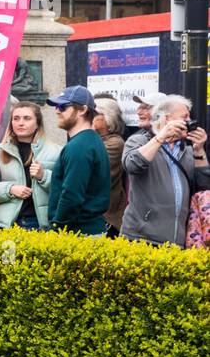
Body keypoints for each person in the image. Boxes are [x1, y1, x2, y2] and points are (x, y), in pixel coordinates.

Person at [120, 94, 210, 246]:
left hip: (176, 241)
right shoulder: (139, 141)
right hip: (141, 237)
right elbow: (132, 165)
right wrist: (161, 137)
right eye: (185, 116)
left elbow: (203, 186)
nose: (190, 122)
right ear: (167, 119)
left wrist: (199, 150)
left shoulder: (187, 150)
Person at [0, 102, 60, 230]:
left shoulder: (55, 152)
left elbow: (64, 189)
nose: (20, 123)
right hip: (7, 224)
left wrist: (44, 176)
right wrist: (10, 189)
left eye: (27, 118)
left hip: (40, 225)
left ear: (38, 123)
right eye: (16, 119)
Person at [46, 86, 111, 235]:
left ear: (82, 110)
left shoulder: (79, 146)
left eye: (63, 106)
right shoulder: (89, 140)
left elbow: (72, 195)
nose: (57, 110)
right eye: (56, 106)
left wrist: (56, 228)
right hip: (86, 230)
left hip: (78, 233)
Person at [92, 97, 128, 237]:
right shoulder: (96, 140)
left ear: (109, 118)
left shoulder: (115, 143)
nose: (89, 117)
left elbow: (94, 173)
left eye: (94, 114)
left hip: (108, 217)